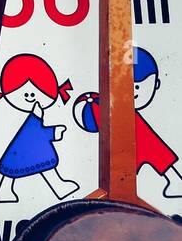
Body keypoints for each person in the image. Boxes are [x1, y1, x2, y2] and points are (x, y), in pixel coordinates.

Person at [74, 47, 181, 198]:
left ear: (156, 84)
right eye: (129, 86)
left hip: (138, 142)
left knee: (158, 155)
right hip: (122, 150)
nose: (134, 92)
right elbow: (91, 119)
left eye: (138, 86)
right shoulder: (107, 108)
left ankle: (175, 182)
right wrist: (90, 105)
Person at [0, 53, 79, 203]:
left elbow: (36, 132)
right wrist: (53, 132)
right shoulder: (32, 117)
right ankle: (5, 192)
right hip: (24, 150)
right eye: (25, 92)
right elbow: (34, 133)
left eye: (35, 92)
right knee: (37, 166)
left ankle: (58, 186)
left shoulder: (35, 114)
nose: (30, 97)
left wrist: (52, 130)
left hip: (31, 149)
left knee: (43, 165)